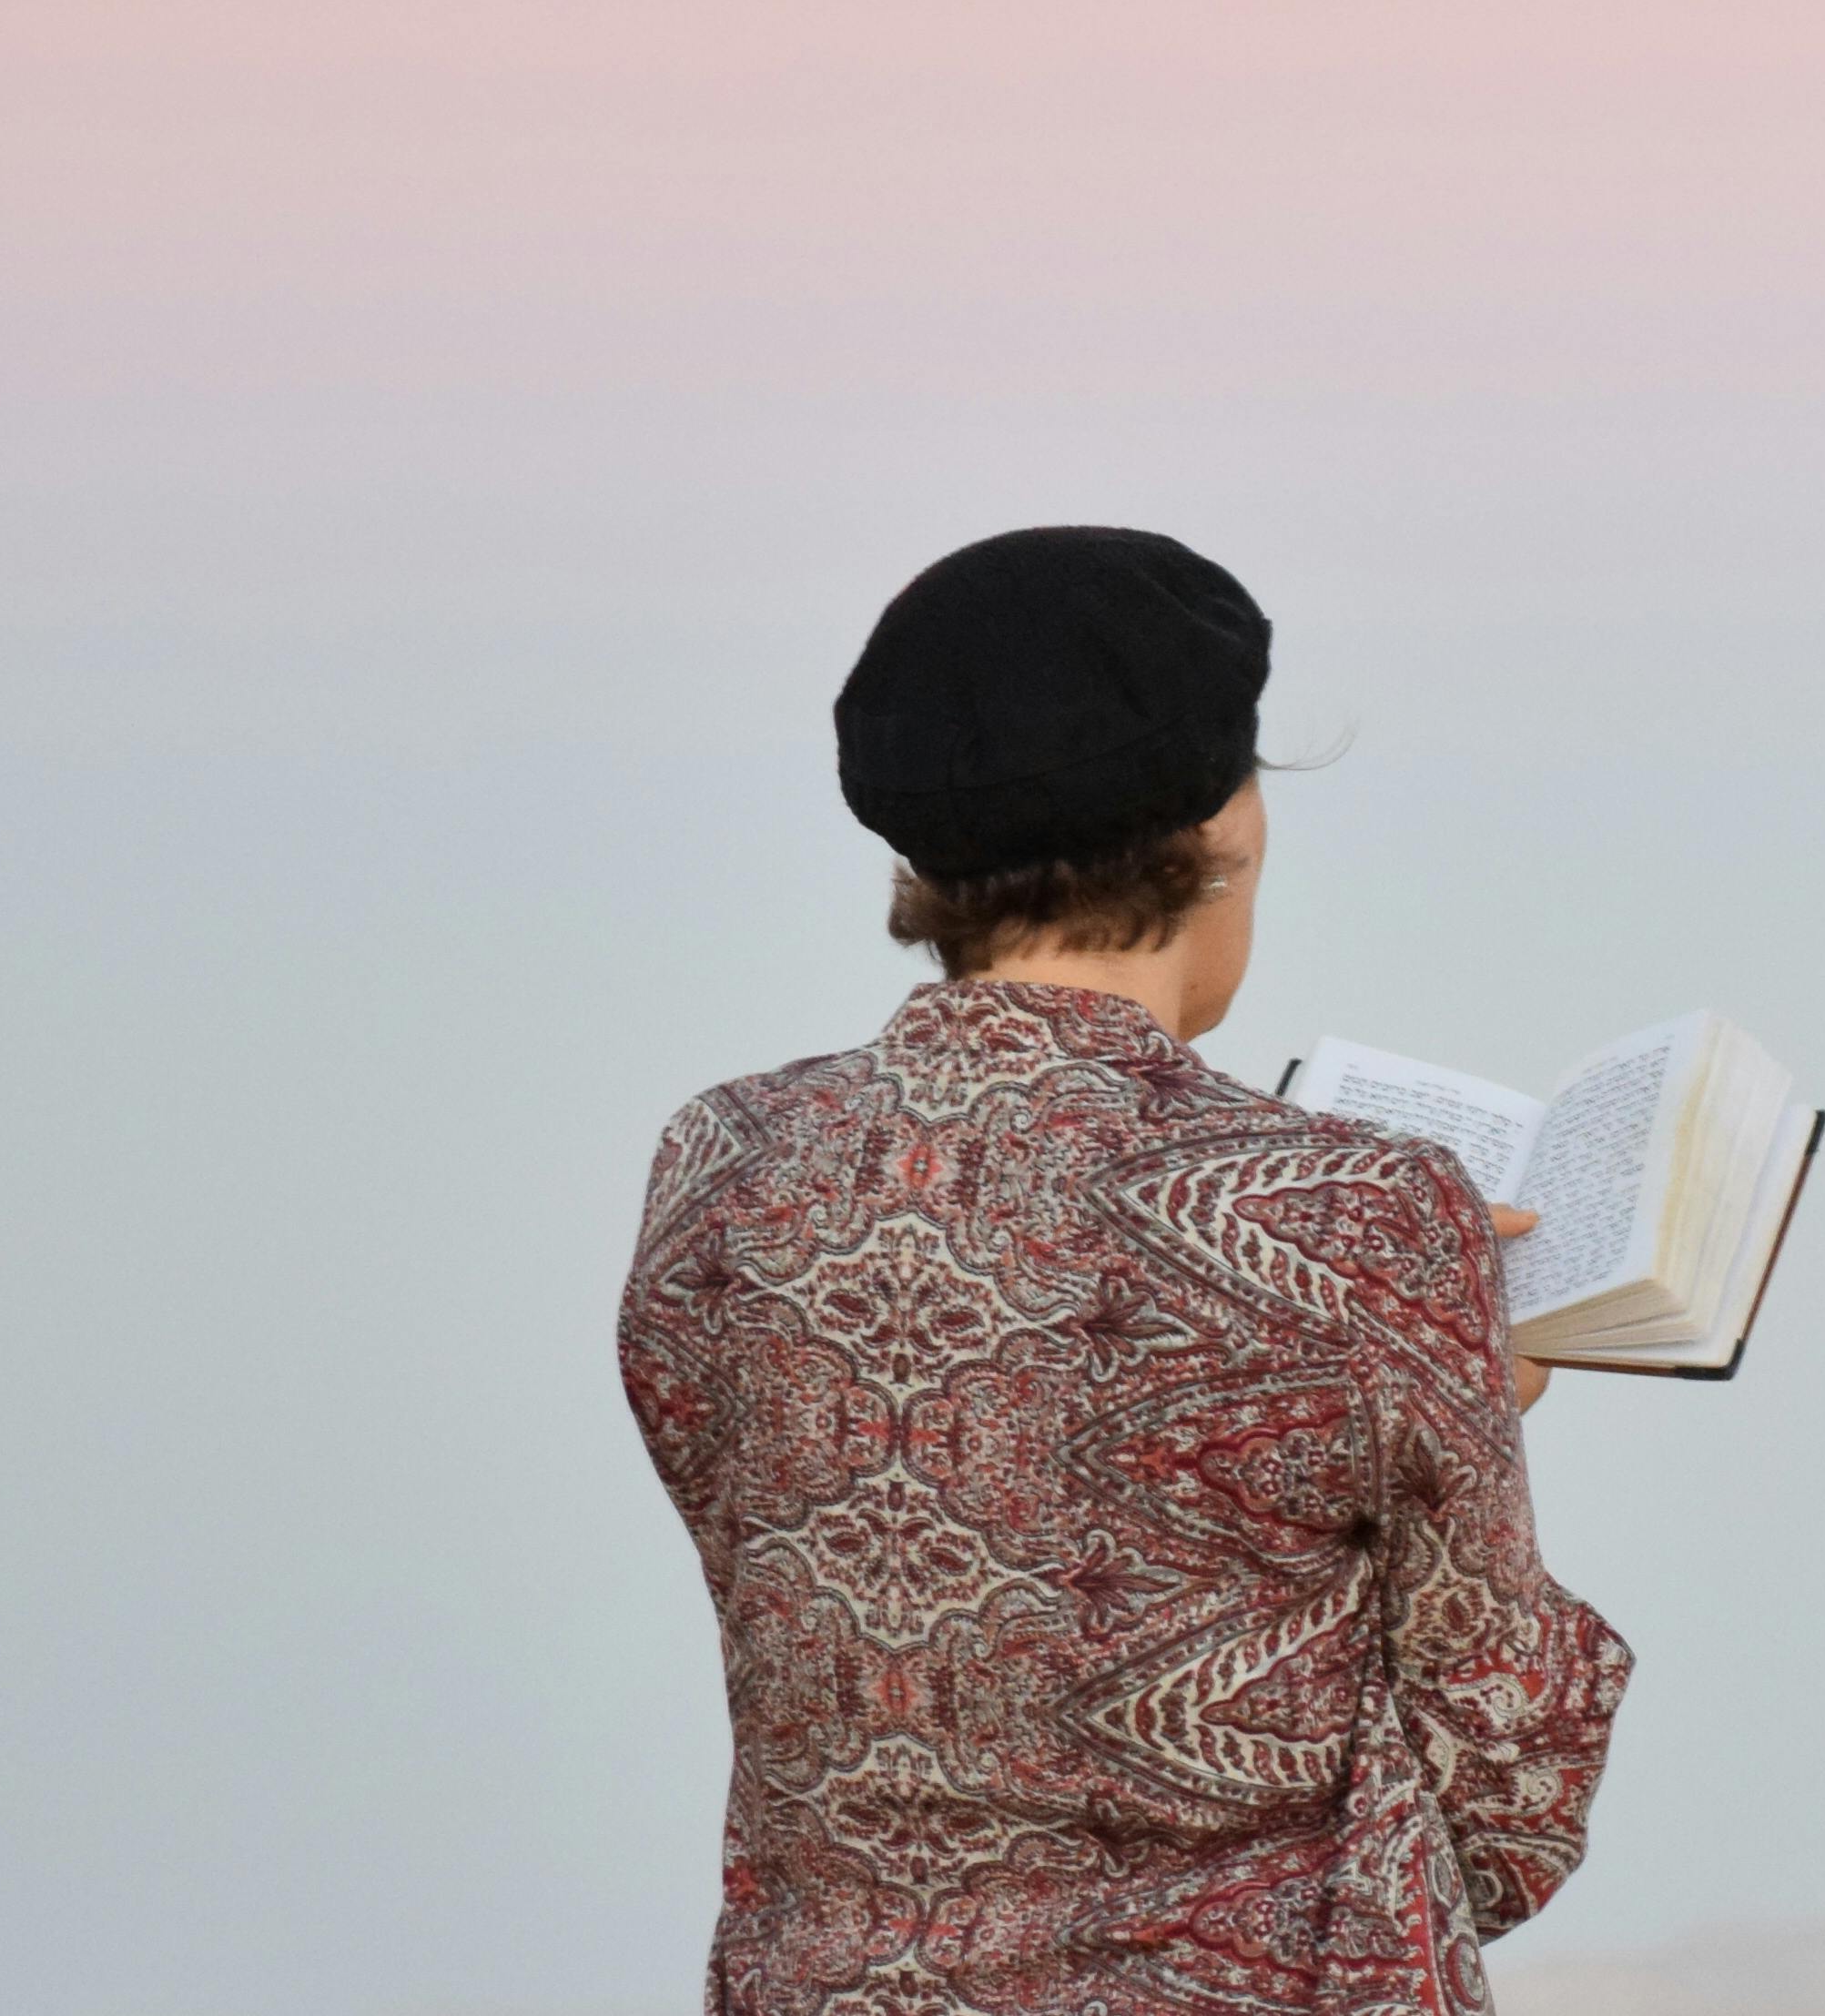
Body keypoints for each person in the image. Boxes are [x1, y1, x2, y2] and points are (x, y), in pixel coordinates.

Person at [617, 525, 1628, 2016]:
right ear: (1222, 828)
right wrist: (1451, 1389)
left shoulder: (726, 1166)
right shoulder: (1356, 1213)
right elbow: (1509, 1799)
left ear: (913, 846)